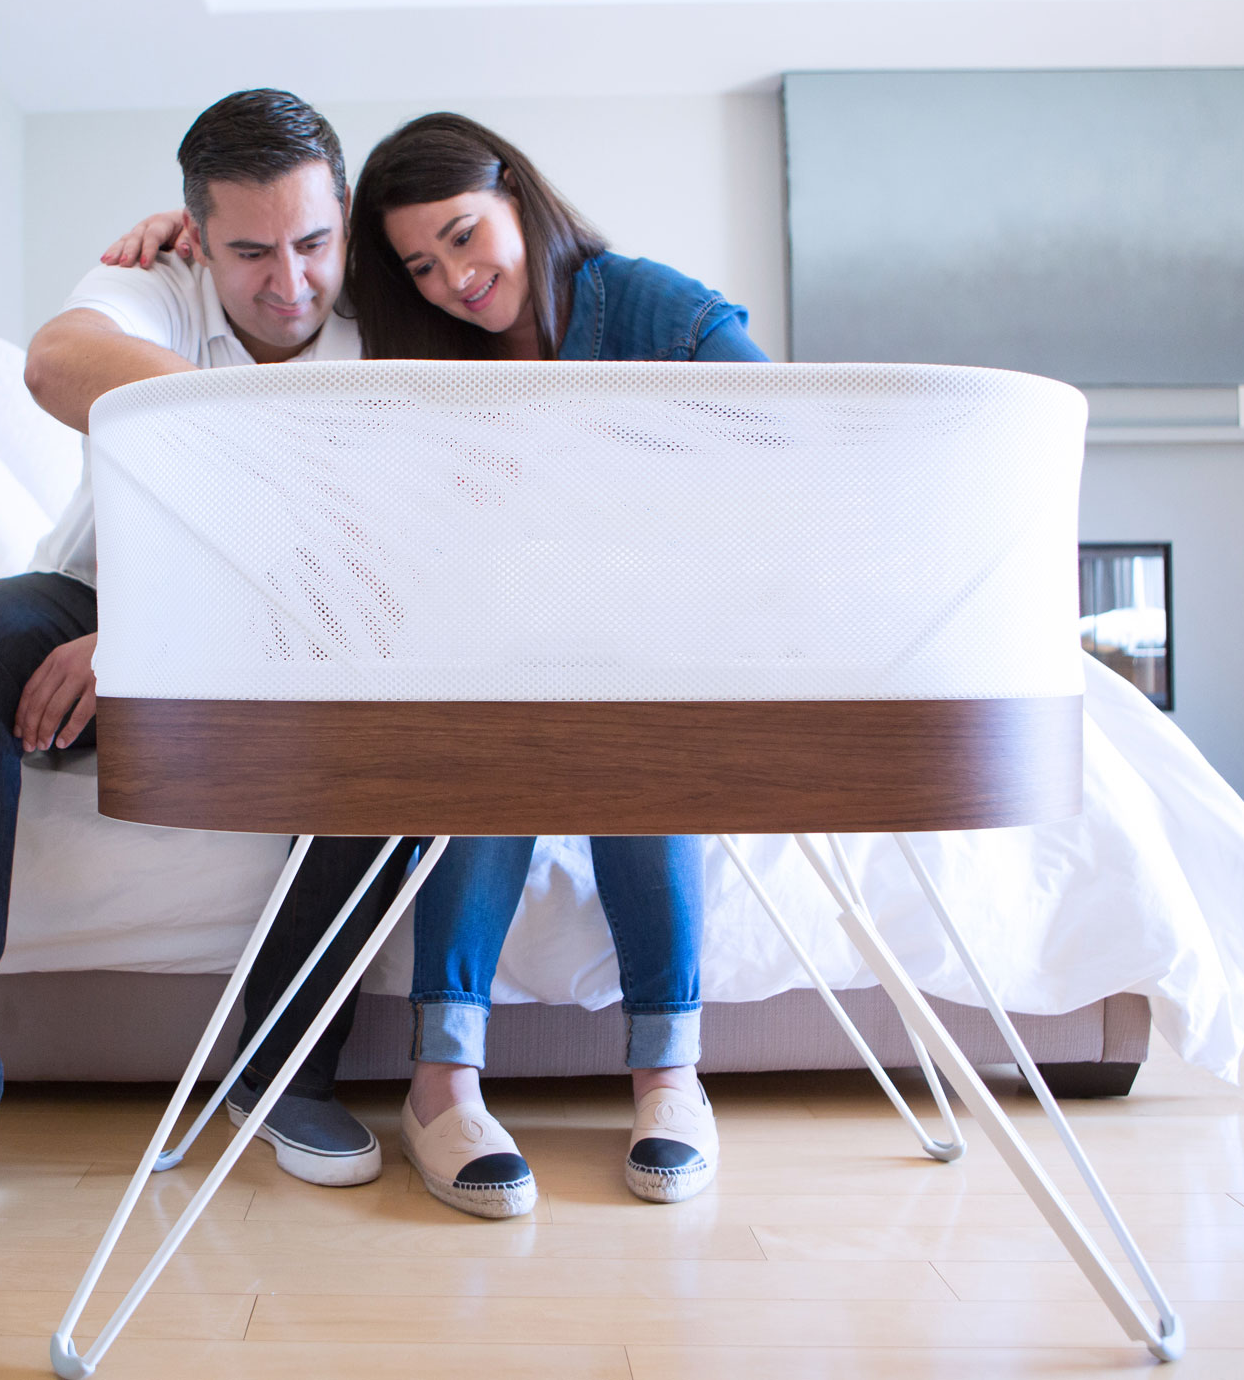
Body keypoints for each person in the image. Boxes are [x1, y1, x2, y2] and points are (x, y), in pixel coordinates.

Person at [0, 90, 401, 1295]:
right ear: (195, 239)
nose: (288, 284)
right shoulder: (156, 281)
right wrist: (132, 612)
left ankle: (278, 1063)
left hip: (292, 636)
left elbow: (364, 569)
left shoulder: (388, 310)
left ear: (346, 221)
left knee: (411, 706)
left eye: (311, 243)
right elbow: (56, 363)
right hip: (89, 597)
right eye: (249, 251)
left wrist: (157, 633)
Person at [110, 112, 768, 1219]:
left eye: (466, 237)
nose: (457, 279)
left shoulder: (640, 302)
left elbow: (783, 440)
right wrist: (185, 229)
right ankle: (443, 1082)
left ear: (519, 194)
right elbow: (301, 285)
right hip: (496, 651)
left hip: (640, 643)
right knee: (482, 726)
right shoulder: (414, 339)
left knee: (628, 727)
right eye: (421, 262)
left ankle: (666, 1075)